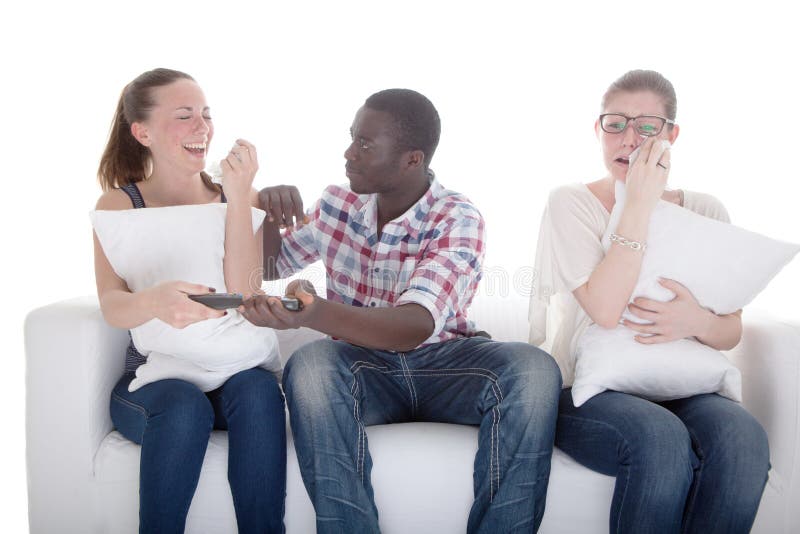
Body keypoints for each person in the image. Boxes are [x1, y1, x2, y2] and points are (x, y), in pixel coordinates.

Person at [239, 88, 562, 533]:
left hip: (445, 367)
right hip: (363, 368)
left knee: (533, 369)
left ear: (413, 159)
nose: (348, 153)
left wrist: (313, 314)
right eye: (352, 137)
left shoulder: (457, 217)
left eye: (365, 144)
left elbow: (414, 326)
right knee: (311, 365)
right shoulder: (337, 204)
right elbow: (269, 265)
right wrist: (263, 207)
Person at [529, 69, 769, 533]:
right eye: (615, 124)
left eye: (647, 127)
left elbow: (730, 329)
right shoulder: (570, 203)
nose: (629, 139)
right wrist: (638, 203)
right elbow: (605, 309)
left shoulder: (707, 210)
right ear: (598, 130)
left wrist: (694, 320)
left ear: (672, 135)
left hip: (683, 386)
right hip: (588, 391)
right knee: (659, 441)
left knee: (744, 440)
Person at [94, 68, 285, 533]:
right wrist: (155, 302)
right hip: (155, 382)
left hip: (231, 377)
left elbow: (245, 292)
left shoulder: (234, 195)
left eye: (206, 114)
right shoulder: (119, 206)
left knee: (259, 392)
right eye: (184, 116)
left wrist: (239, 198)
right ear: (142, 132)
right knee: (184, 407)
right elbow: (112, 306)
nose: (202, 127)